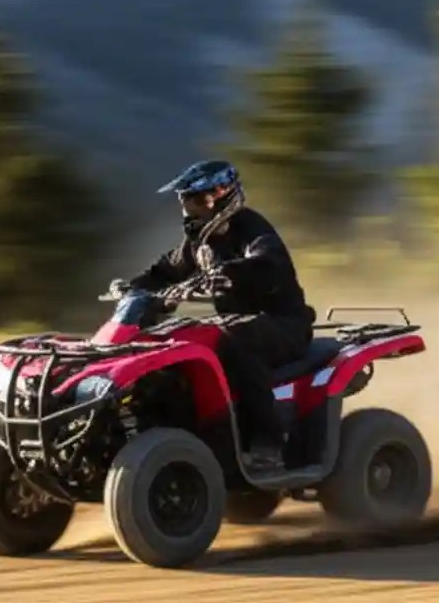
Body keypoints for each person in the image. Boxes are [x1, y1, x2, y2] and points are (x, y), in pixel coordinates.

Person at [124, 160, 315, 474]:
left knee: (236, 340)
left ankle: (268, 441)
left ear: (221, 197)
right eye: (187, 202)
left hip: (284, 326)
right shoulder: (199, 244)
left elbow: (269, 263)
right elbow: (164, 272)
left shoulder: (252, 228)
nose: (192, 210)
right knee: (176, 343)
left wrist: (231, 272)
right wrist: (132, 288)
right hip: (239, 324)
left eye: (199, 201)